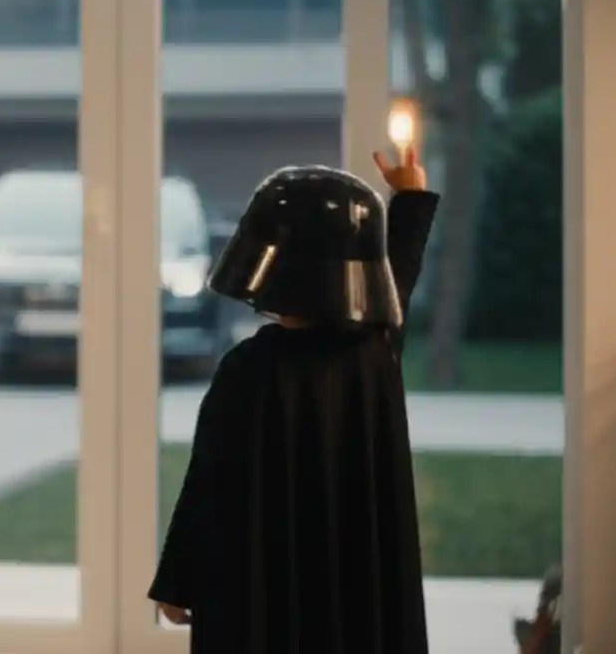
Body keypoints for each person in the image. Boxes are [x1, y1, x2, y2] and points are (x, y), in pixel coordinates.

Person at [149, 147, 438, 653]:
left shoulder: (247, 370)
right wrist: (410, 197)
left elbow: (209, 481)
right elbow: (401, 276)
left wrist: (178, 580)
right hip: (355, 588)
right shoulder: (376, 350)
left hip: (261, 589)